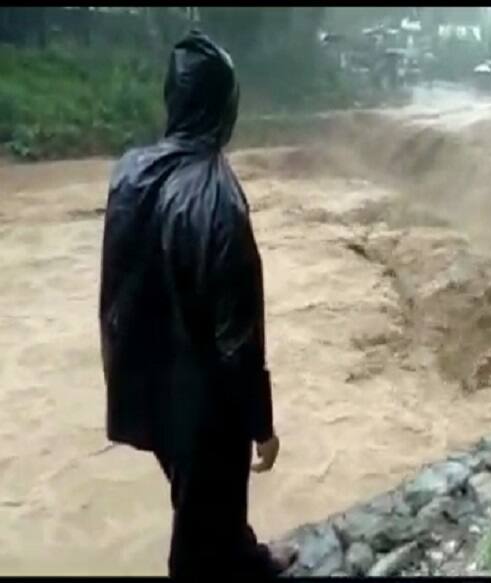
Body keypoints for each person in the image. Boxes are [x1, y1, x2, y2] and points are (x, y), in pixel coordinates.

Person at [99, 30, 292, 578]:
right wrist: (262, 424)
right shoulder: (219, 198)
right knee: (197, 541)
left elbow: (118, 290)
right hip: (202, 404)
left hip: (142, 380)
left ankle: (248, 557)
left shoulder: (131, 172)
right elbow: (237, 339)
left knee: (205, 505)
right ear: (222, 107)